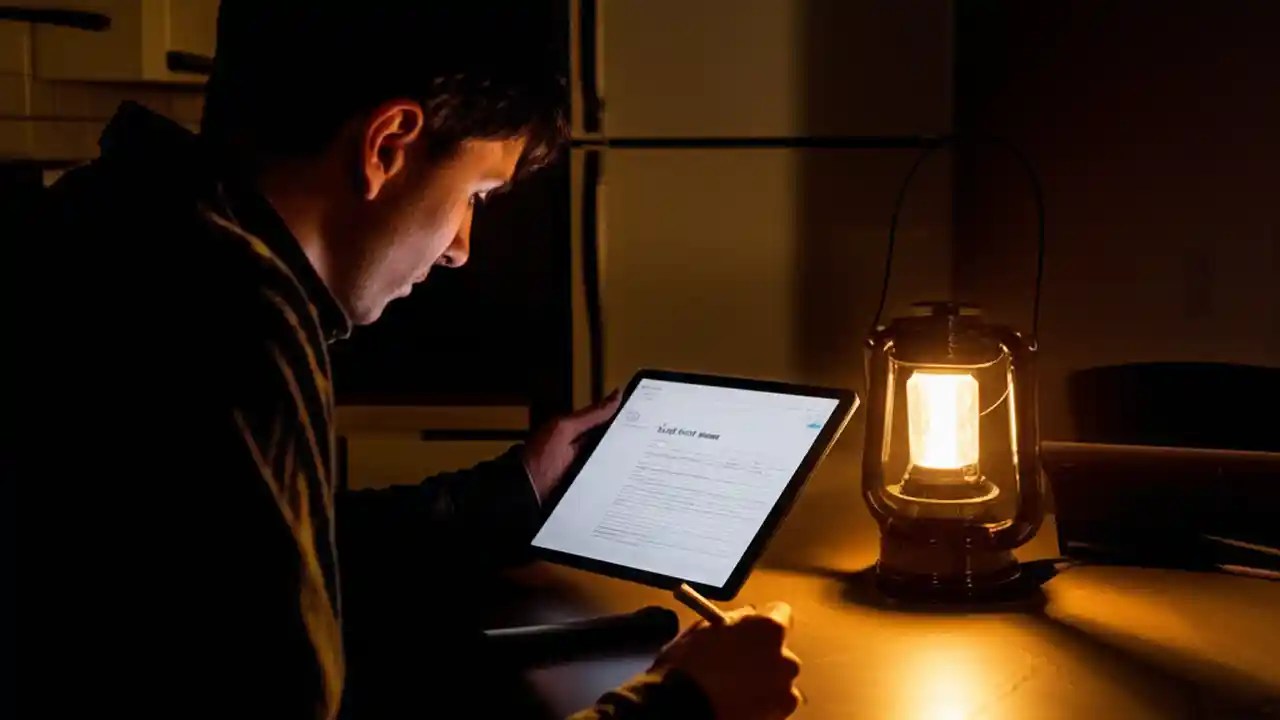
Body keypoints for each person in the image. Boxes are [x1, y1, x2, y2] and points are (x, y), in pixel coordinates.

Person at [20, 2, 802, 719]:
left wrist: (513, 492)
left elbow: (280, 562)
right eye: (476, 195)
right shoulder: (224, 321)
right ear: (388, 145)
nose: (461, 248)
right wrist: (683, 704)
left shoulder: (124, 232)